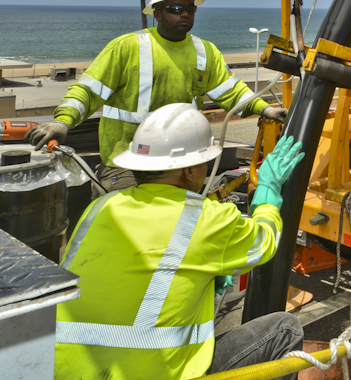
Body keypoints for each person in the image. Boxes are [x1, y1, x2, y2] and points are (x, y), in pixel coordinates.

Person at [54, 102, 306, 380]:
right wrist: (268, 191)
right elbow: (264, 242)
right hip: (157, 374)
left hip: (64, 371)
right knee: (285, 330)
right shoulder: (207, 218)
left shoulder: (101, 208)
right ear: (189, 171)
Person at [28, 0, 286, 191]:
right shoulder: (127, 48)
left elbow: (232, 92)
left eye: (190, 8)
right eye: (176, 9)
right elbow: (87, 91)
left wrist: (266, 109)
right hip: (128, 166)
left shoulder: (204, 52)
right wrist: (62, 122)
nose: (185, 14)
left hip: (180, 166)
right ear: (157, 13)